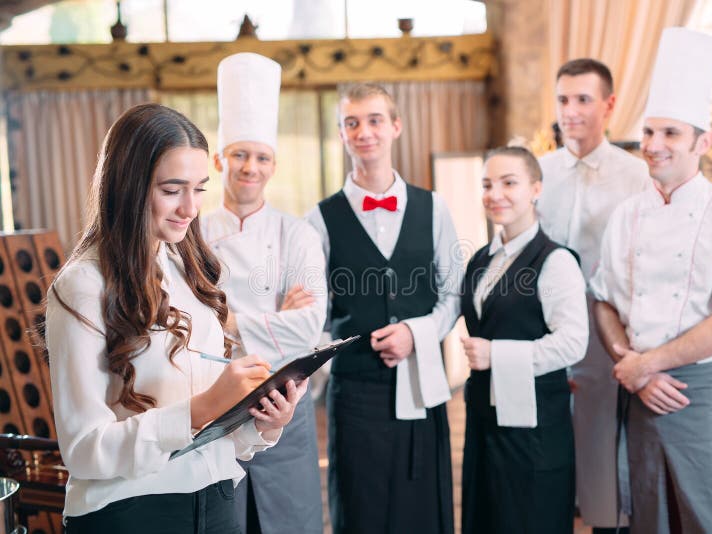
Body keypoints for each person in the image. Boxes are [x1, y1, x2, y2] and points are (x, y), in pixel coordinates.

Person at [45, 103, 307, 533]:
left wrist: (260, 424)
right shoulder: (82, 286)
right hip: (130, 513)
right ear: (128, 186)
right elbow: (84, 449)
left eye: (200, 188)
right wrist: (201, 407)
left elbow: (209, 437)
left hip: (217, 500)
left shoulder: (191, 272)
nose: (190, 207)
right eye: (172, 189)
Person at [590, 28, 712, 533]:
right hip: (641, 398)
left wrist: (649, 365)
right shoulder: (625, 215)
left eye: (670, 134)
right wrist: (632, 364)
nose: (653, 146)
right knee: (650, 521)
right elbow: (602, 300)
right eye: (649, 132)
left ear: (702, 142)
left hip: (702, 398)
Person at [306, 83, 461, 534]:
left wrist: (418, 332)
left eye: (374, 120)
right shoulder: (318, 219)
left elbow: (454, 294)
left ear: (395, 126)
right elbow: (313, 313)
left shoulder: (434, 208)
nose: (364, 132)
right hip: (355, 391)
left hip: (423, 378)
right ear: (341, 134)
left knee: (423, 502)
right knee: (361, 504)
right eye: (351, 123)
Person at [201, 53, 326, 534]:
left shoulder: (298, 235)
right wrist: (273, 317)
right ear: (219, 160)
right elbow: (182, 323)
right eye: (239, 155)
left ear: (274, 165)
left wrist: (228, 321)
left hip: (285, 407)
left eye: (261, 157)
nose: (250, 167)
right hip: (213, 408)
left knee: (289, 522)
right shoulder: (192, 233)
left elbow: (309, 327)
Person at [537, 58, 649, 533]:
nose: (571, 111)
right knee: (546, 437)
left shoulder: (636, 175)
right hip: (543, 328)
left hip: (605, 330)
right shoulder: (537, 173)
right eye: (563, 100)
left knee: (601, 438)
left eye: (583, 100)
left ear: (609, 105)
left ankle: (608, 523)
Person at [460, 144, 588, 533]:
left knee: (530, 518)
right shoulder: (480, 259)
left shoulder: (556, 261)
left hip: (535, 430)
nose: (495, 194)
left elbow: (573, 342)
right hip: (485, 420)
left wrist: (496, 354)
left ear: (535, 188)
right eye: (487, 184)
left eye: (508, 182)